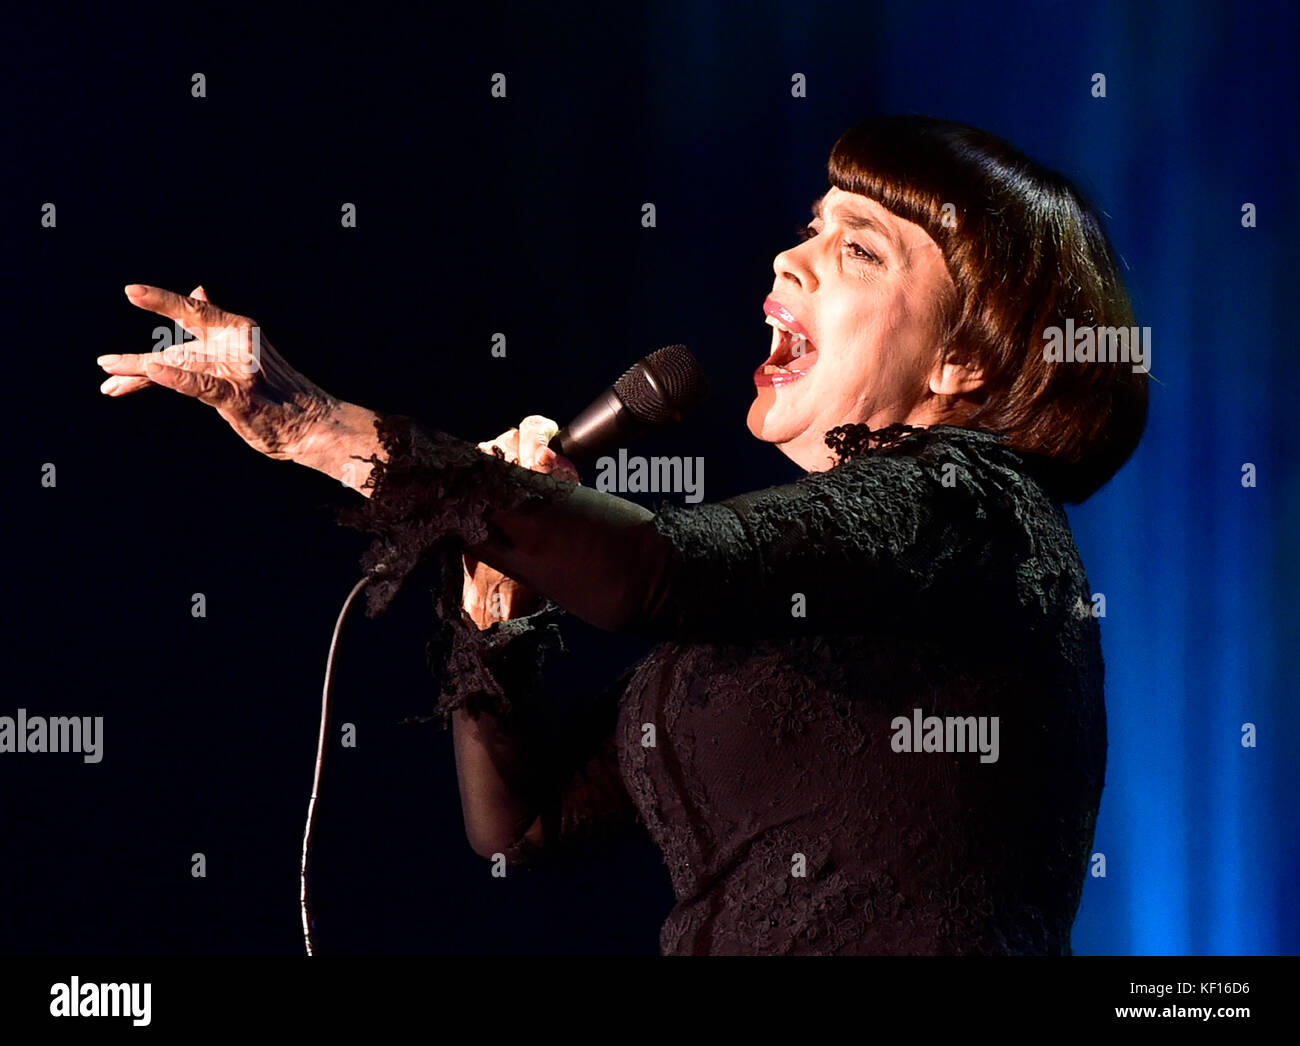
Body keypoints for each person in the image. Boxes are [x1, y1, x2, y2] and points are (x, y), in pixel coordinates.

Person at [97, 115, 1147, 955]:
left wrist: (321, 430)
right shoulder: (800, 601)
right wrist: (496, 610)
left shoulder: (974, 505)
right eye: (810, 223)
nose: (791, 254)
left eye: (858, 247)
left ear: (962, 358)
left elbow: (651, 569)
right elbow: (523, 824)